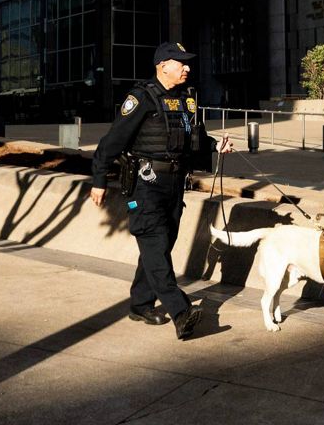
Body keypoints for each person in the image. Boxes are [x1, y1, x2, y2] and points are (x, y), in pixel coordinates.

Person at [89, 41, 234, 341]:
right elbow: (111, 142)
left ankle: (140, 304)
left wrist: (215, 145)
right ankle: (181, 313)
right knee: (156, 246)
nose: (187, 68)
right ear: (162, 66)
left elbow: (195, 138)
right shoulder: (141, 98)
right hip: (146, 185)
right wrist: (99, 180)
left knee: (159, 246)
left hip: (174, 186)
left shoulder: (185, 100)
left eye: (187, 62)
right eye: (180, 62)